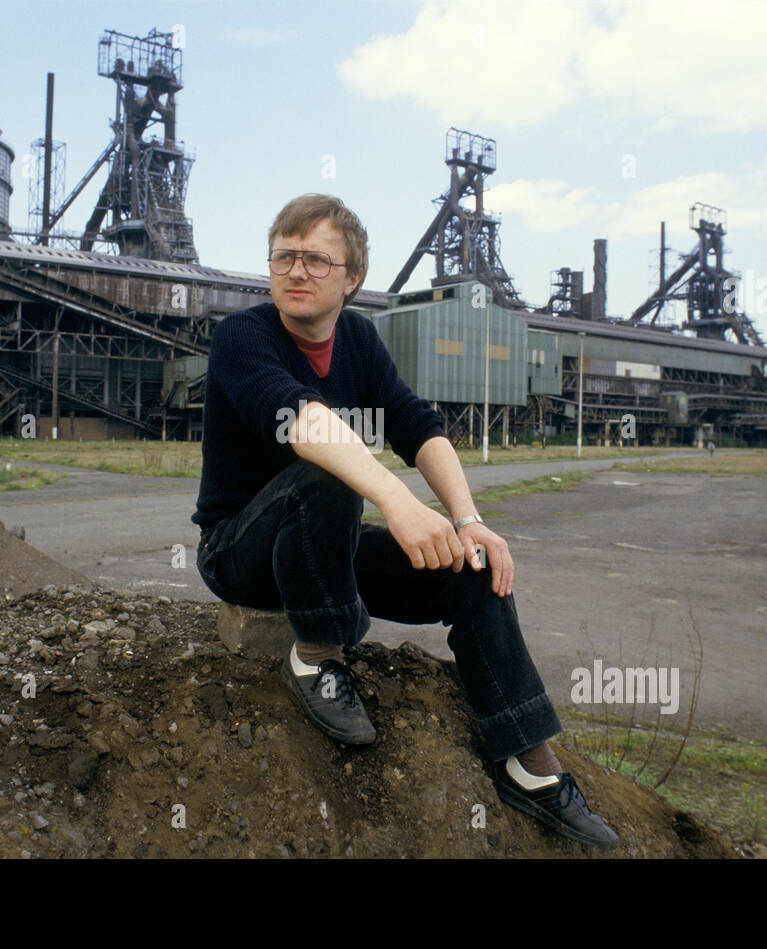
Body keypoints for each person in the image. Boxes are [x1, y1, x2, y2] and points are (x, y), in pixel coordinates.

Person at [192, 194, 617, 849]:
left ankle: (526, 763)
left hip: (321, 545)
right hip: (240, 549)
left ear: (352, 278)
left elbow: (416, 424)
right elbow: (303, 422)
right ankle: (318, 657)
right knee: (330, 468)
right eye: (284, 256)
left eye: (315, 259)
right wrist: (398, 501)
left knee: (472, 571)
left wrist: (467, 518)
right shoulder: (242, 336)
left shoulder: (359, 338)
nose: (295, 271)